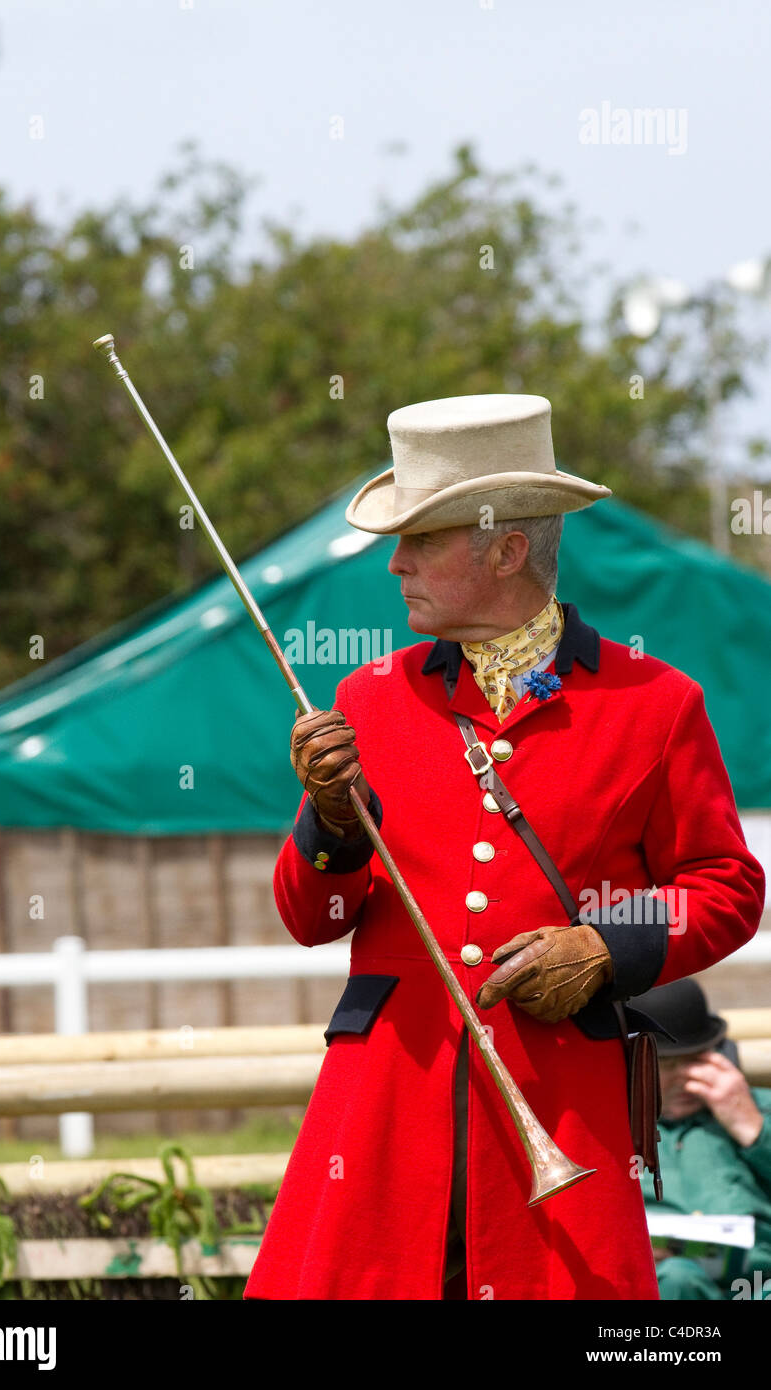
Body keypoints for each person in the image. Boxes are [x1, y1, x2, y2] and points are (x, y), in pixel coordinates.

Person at [243, 394, 765, 1301]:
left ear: (506, 547)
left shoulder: (654, 704)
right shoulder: (367, 697)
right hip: (384, 1118)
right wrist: (327, 820)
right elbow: (311, 919)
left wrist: (608, 945)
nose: (396, 563)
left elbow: (725, 886)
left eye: (422, 538)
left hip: (561, 1109)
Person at [632, 978, 771, 1300]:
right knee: (678, 1278)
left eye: (697, 1060)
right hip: (661, 1283)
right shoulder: (606, 1131)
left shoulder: (758, 1108)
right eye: (668, 1065)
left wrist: (752, 1128)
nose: (690, 1079)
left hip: (759, 1281)